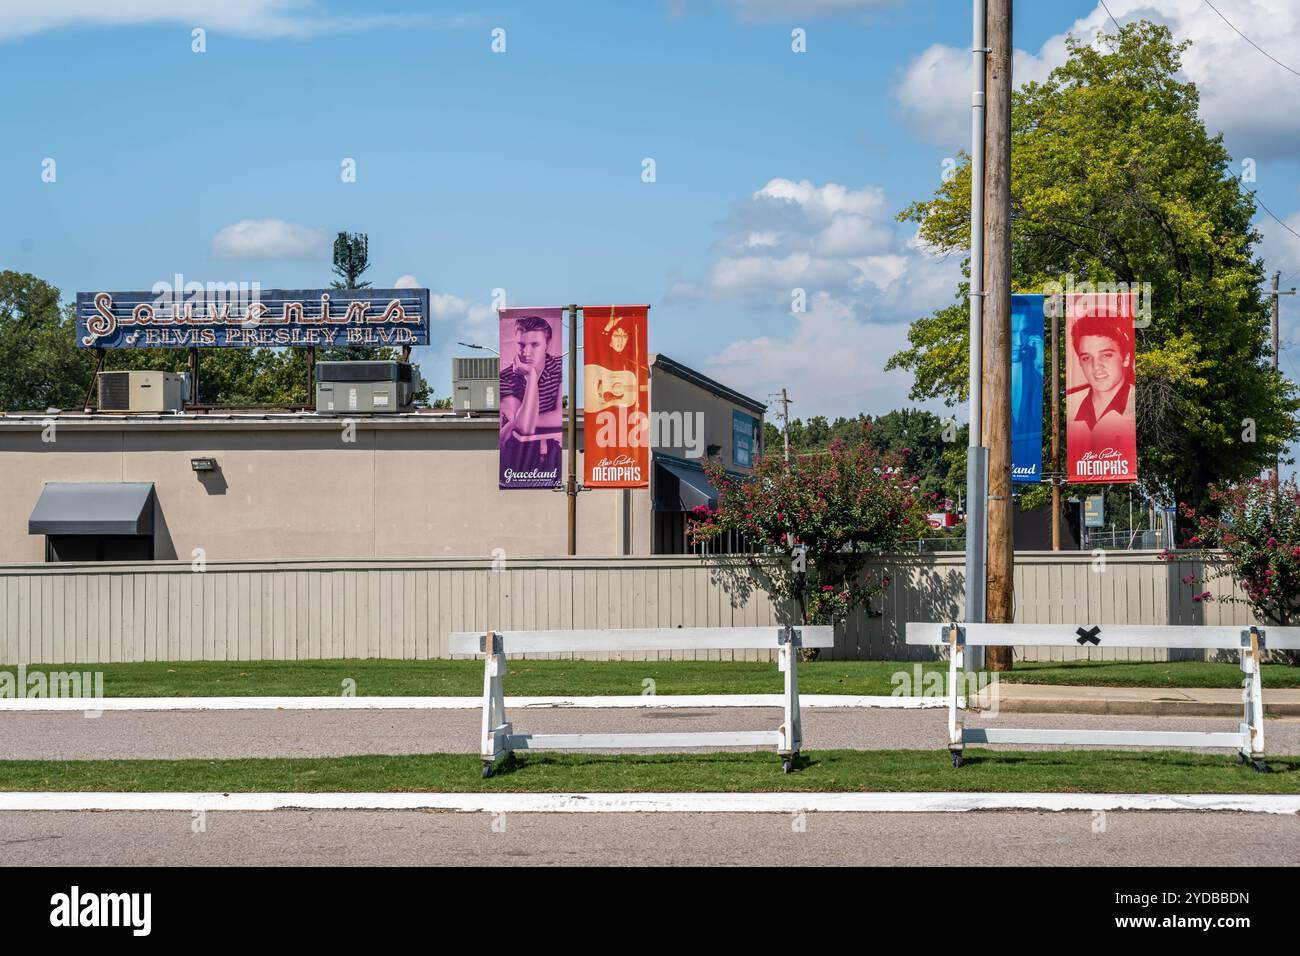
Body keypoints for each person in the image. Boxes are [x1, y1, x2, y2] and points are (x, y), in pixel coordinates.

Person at [1066, 311, 1136, 477]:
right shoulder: (1071, 403)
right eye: (1086, 358)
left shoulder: (1138, 406)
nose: (1096, 366)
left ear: (1125, 358)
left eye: (1106, 355)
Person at [499, 315, 563, 484]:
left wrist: (515, 424)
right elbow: (525, 430)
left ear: (547, 346)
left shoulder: (558, 367)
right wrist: (532, 377)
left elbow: (560, 415)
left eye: (535, 345)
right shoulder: (505, 378)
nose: (526, 352)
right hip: (516, 458)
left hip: (551, 454)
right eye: (521, 345)